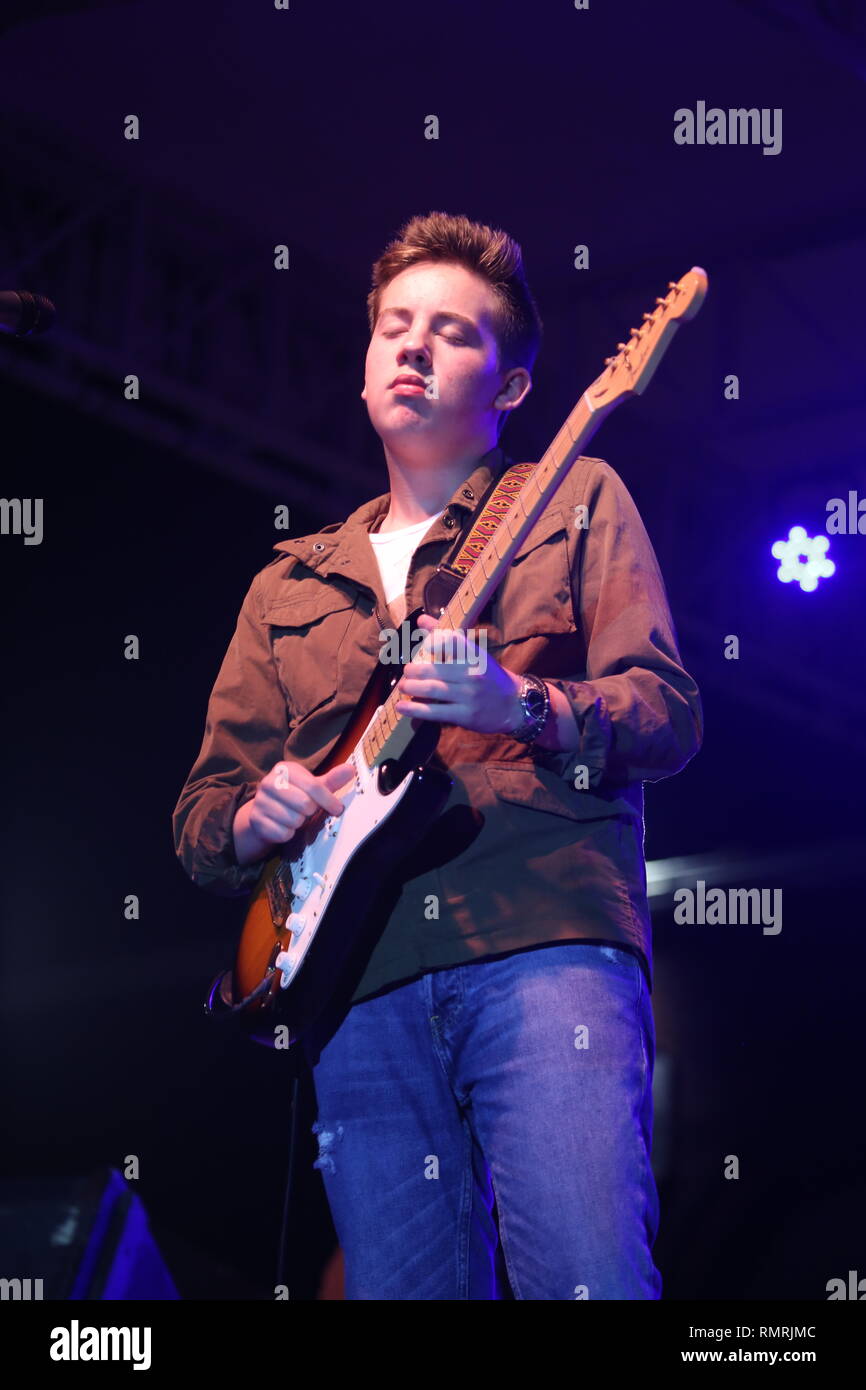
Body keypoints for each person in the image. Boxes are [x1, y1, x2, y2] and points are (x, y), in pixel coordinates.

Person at [172, 211, 703, 1300]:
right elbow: (201, 813)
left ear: (509, 387)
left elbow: (665, 715)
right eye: (393, 326)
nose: (411, 347)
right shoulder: (287, 586)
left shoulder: (575, 501)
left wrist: (522, 702)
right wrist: (252, 817)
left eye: (452, 333)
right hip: (354, 980)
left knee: (584, 1277)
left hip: (540, 941)